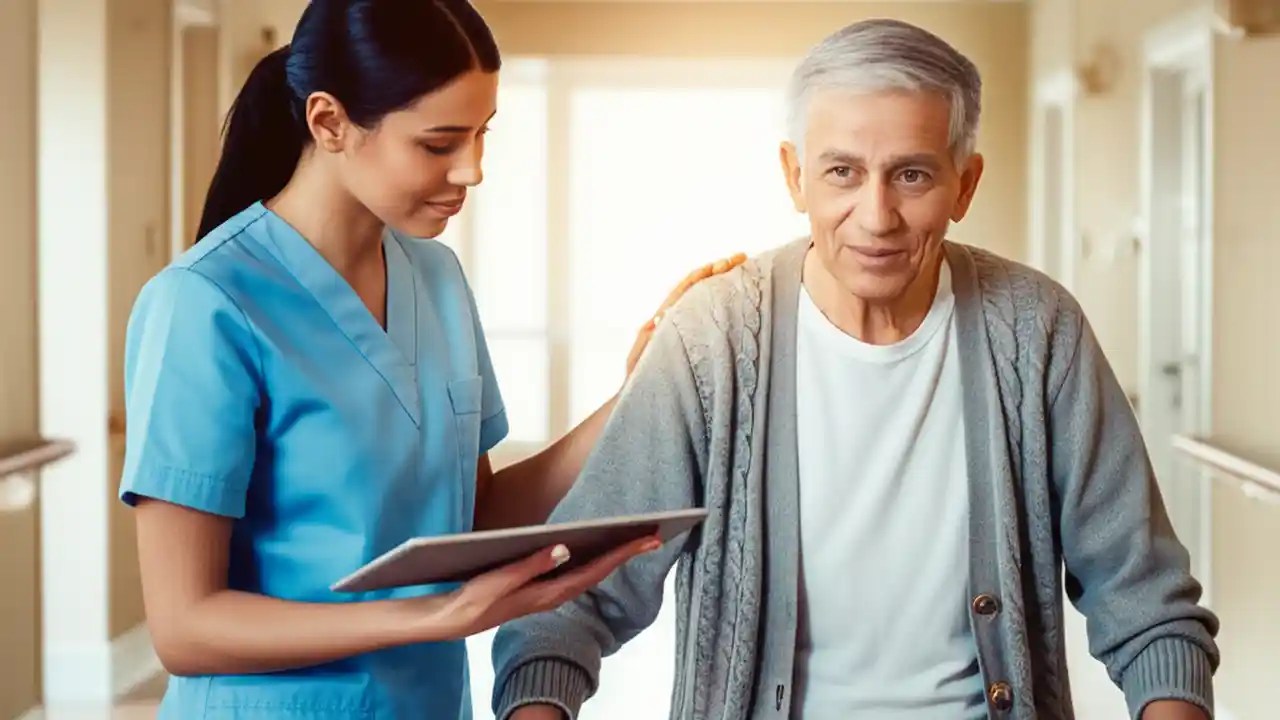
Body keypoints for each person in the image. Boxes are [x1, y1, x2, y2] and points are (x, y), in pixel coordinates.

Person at [491, 18, 1221, 720]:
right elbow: (569, 605)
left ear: (964, 185)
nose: (876, 216)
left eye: (911, 174)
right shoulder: (710, 341)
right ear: (794, 174)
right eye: (843, 172)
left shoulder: (1037, 330)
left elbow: (1149, 603)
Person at [116, 0, 743, 718]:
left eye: (482, 135)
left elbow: (469, 520)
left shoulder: (436, 278)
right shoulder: (204, 304)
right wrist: (436, 617)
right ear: (329, 123)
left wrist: (639, 389)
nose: (473, 169)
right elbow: (184, 628)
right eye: (439, 143)